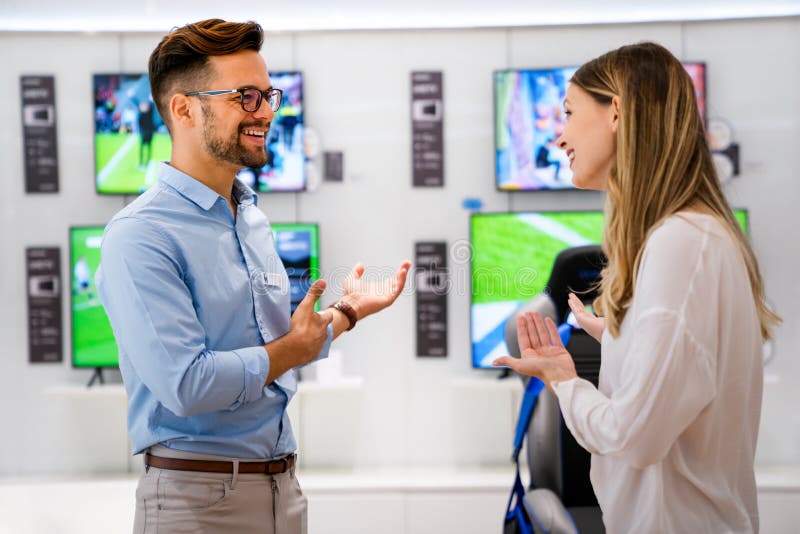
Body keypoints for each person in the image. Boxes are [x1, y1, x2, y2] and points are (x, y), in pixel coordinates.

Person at [96, 19, 410, 534]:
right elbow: (188, 383)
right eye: (245, 96)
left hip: (282, 488)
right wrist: (295, 348)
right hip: (197, 501)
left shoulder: (252, 220)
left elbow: (276, 343)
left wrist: (348, 313)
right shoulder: (140, 235)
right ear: (184, 109)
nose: (265, 111)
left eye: (268, 95)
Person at [493, 42, 780, 533]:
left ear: (618, 112)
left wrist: (561, 377)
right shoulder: (695, 234)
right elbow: (684, 377)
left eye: (568, 113)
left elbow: (634, 436)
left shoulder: (681, 243)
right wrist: (622, 338)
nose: (560, 137)